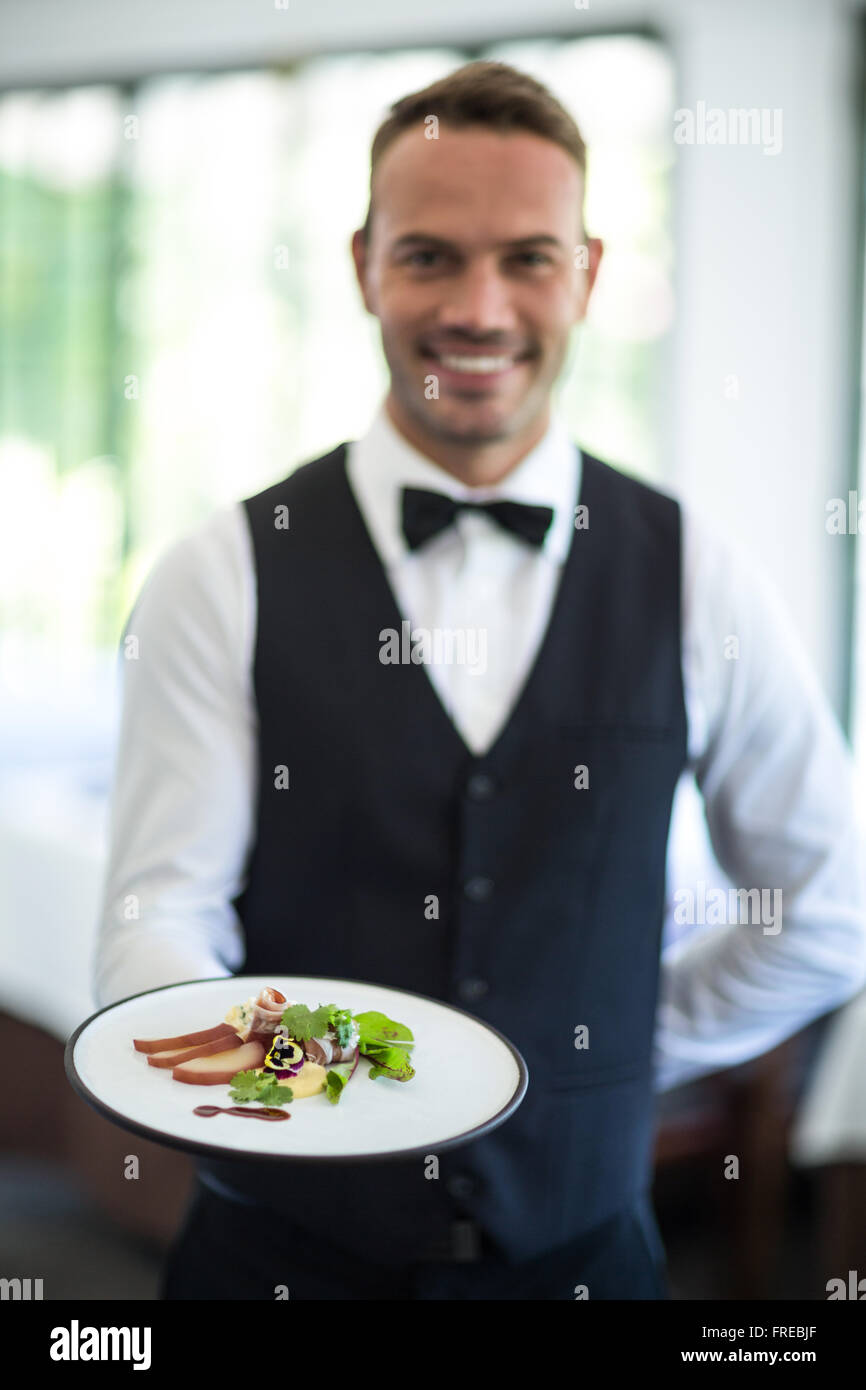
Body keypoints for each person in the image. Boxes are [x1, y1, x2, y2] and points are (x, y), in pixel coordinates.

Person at [93, 60, 866, 1300]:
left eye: (526, 257)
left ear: (589, 273)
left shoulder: (696, 573)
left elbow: (824, 903)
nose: (479, 306)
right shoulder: (220, 570)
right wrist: (286, 1082)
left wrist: (606, 1048)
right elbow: (157, 923)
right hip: (276, 1264)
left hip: (585, 1269)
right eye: (429, 256)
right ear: (361, 265)